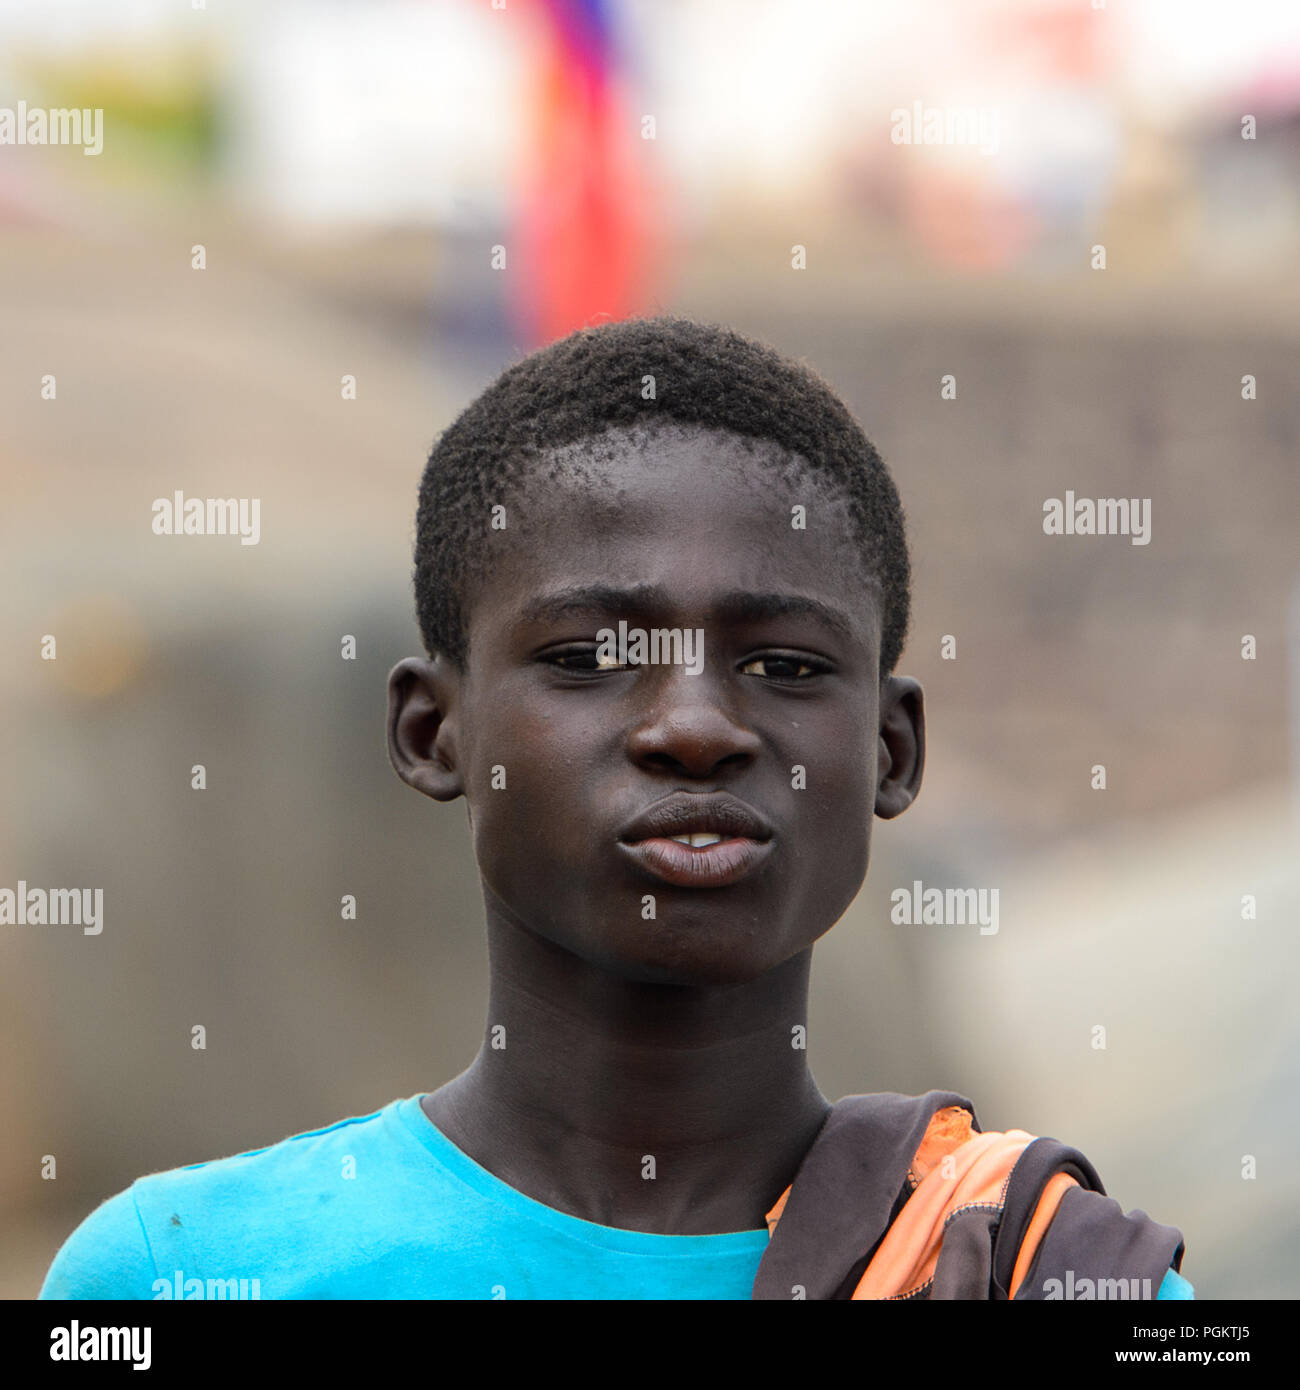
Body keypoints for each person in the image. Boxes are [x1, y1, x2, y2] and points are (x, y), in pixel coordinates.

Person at [40, 316, 1190, 1299]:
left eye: (784, 665)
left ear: (890, 752)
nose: (694, 726)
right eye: (590, 655)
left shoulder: (1033, 1268)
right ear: (432, 732)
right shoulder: (173, 1274)